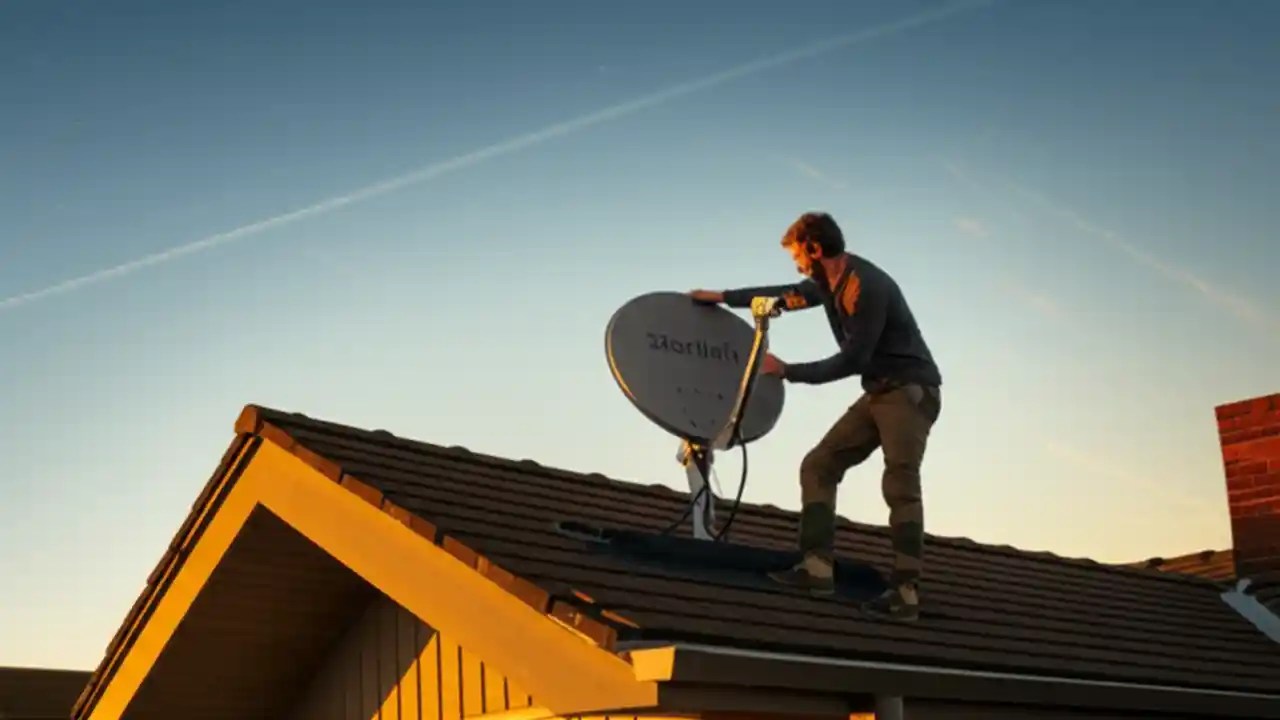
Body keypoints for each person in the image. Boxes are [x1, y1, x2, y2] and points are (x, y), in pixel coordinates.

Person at [688, 211, 942, 622]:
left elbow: (853, 360)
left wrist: (788, 371)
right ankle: (817, 569)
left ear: (815, 248)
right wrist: (720, 297)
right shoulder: (827, 284)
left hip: (910, 392)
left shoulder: (865, 287)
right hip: (880, 391)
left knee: (900, 482)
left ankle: (906, 593)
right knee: (819, 465)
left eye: (797, 257)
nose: (797, 265)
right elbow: (783, 295)